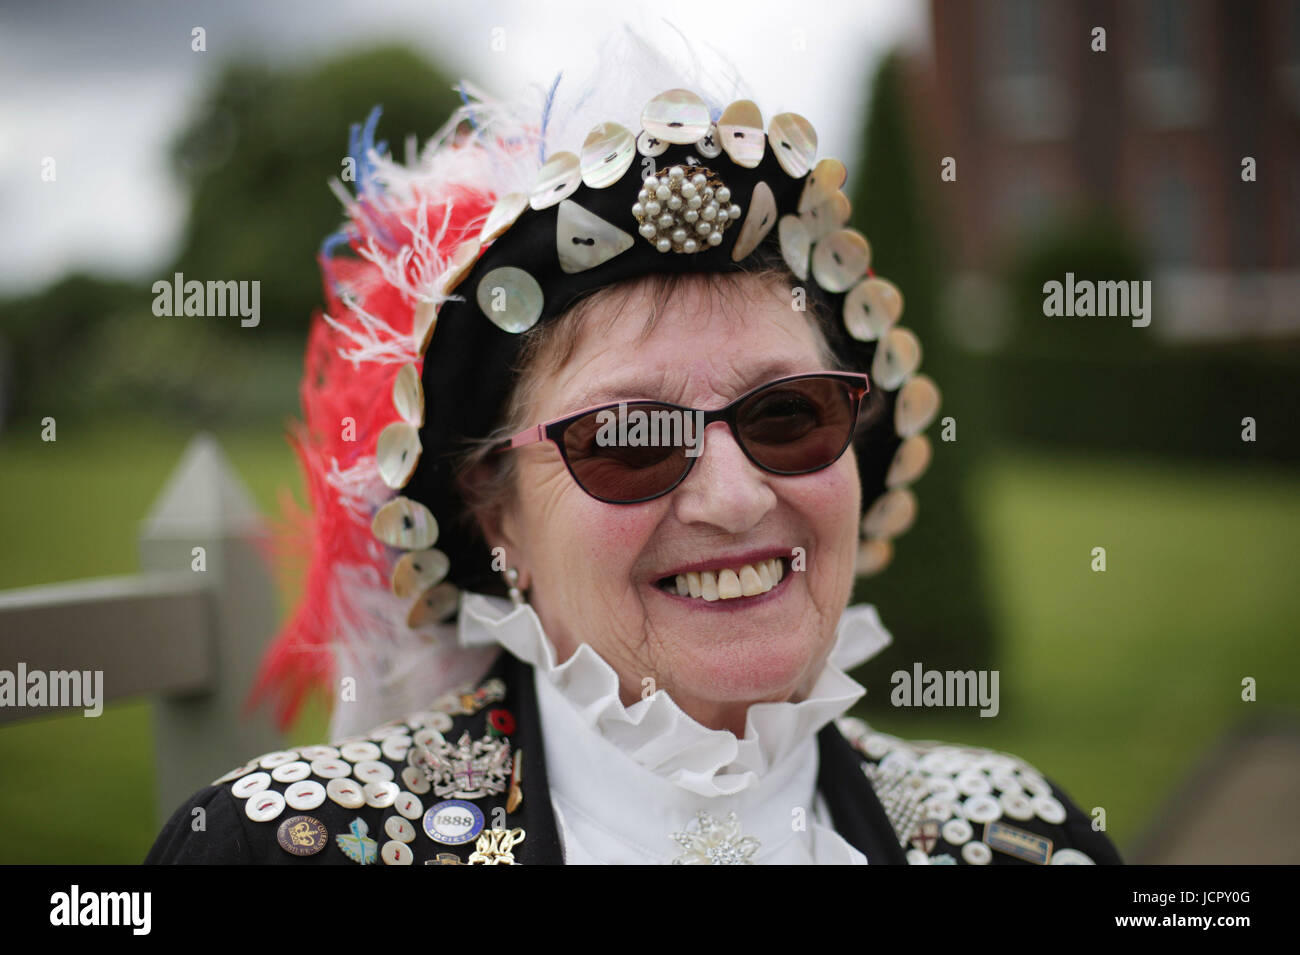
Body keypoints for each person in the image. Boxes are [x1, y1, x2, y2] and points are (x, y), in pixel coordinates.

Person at [145, 39, 1121, 866]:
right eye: (631, 437)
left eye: (789, 416)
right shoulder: (270, 848)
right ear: (494, 512)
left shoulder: (1026, 838)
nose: (736, 499)